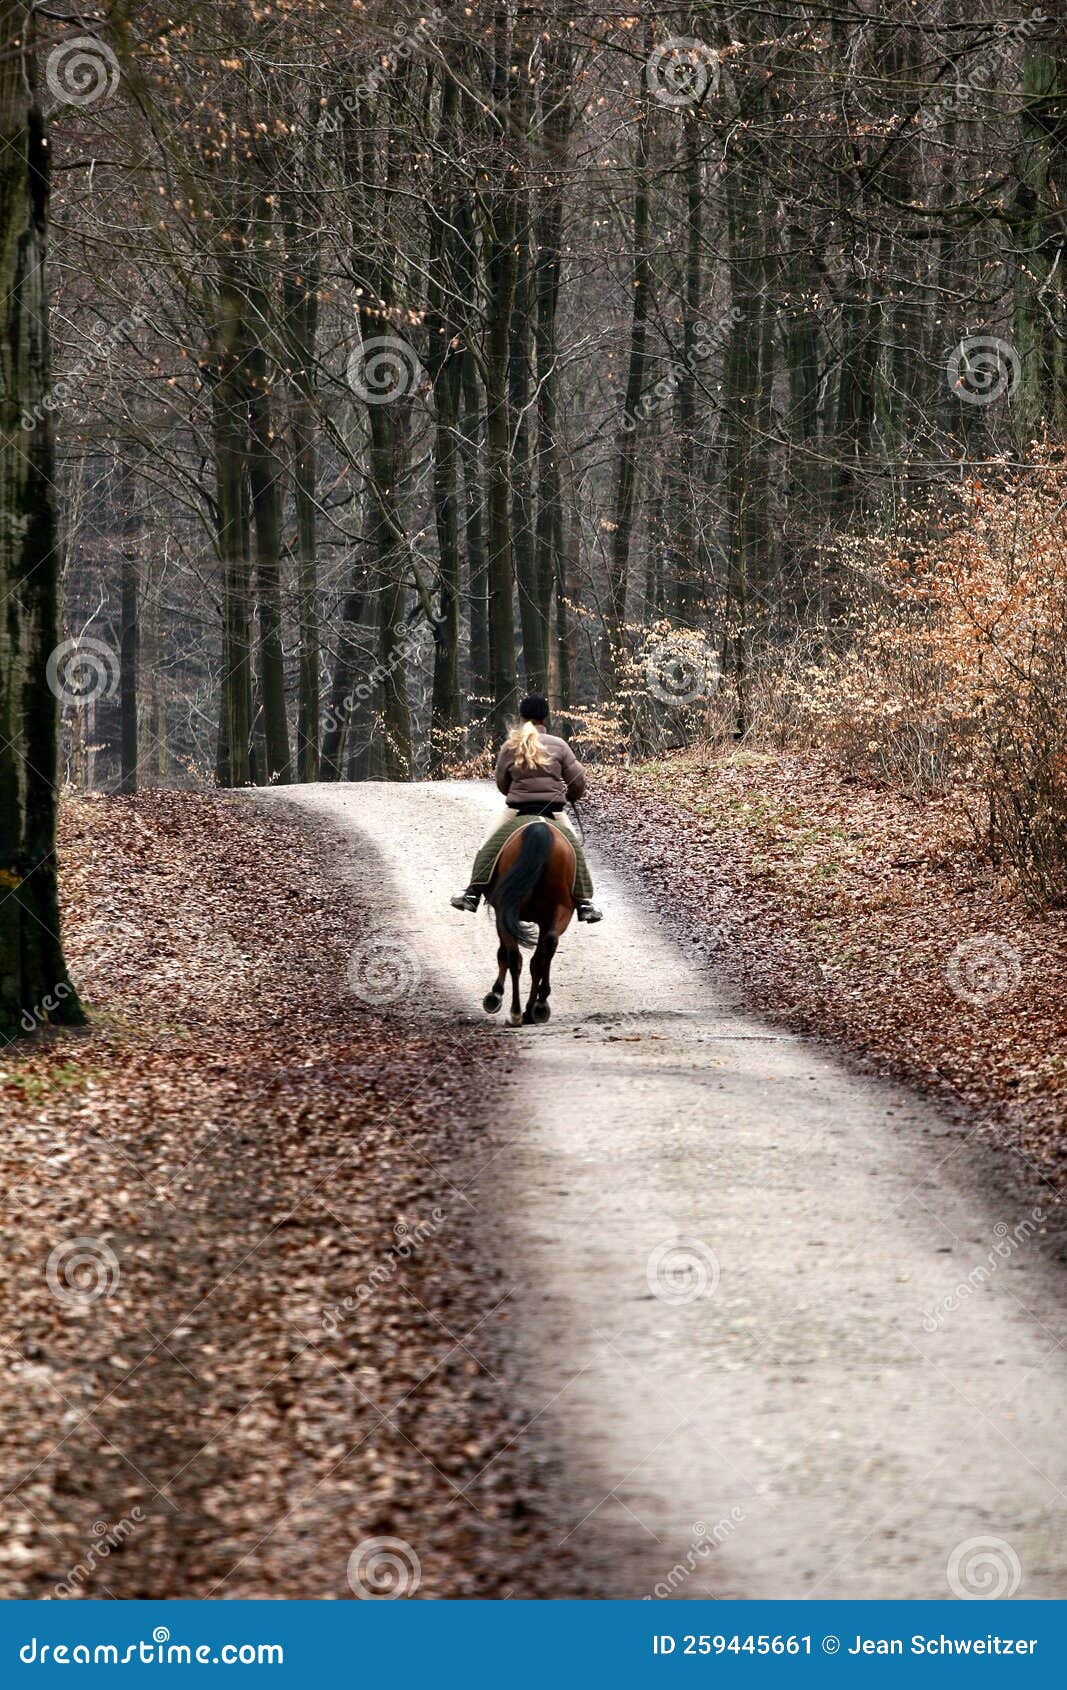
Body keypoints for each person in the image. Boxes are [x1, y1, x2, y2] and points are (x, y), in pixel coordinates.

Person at [451, 695, 603, 923]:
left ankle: (472, 893)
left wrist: (517, 790)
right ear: (545, 717)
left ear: (521, 718)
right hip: (553, 812)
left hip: (516, 811)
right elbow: (577, 780)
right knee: (574, 850)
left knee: (487, 846)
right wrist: (572, 795)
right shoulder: (559, 745)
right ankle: (584, 902)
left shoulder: (511, 746)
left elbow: (502, 784)